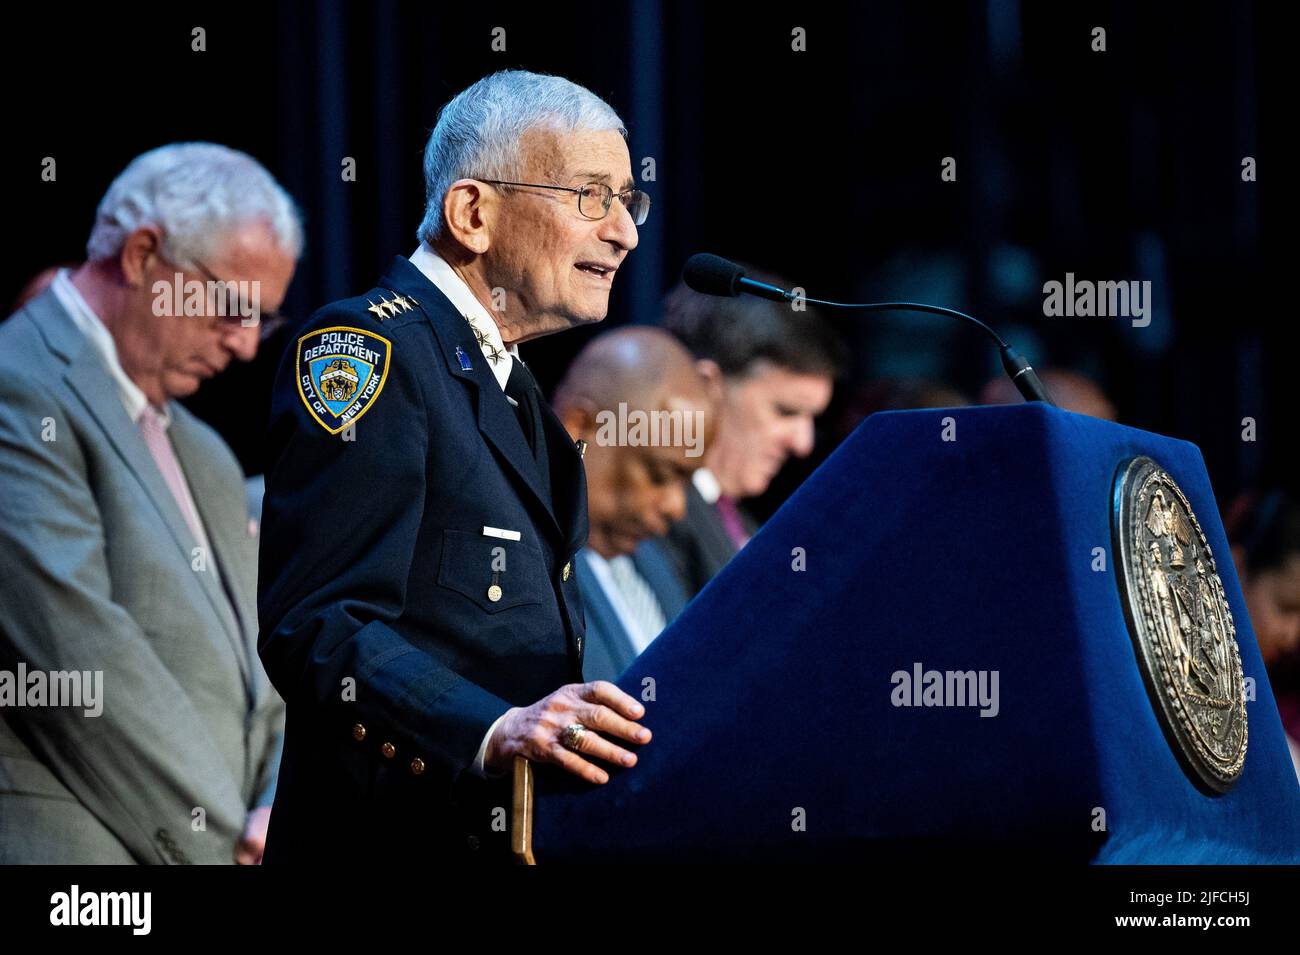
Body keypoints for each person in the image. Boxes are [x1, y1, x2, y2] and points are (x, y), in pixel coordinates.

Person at [257, 70, 654, 863]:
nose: (624, 233)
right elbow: (320, 626)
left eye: (628, 200)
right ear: (472, 213)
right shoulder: (369, 350)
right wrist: (490, 727)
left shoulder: (510, 386)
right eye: (591, 196)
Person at [0, 142, 300, 863]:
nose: (247, 345)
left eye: (264, 319)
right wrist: (225, 840)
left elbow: (272, 662)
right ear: (140, 256)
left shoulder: (204, 451)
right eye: (233, 308)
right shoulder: (18, 386)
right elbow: (74, 660)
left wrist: (276, 807)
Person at [659, 270, 844, 596]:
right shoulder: (651, 519)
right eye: (785, 411)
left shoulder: (745, 527)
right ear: (706, 386)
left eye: (813, 419)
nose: (803, 444)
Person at [552, 327, 713, 682]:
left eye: (686, 483)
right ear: (581, 428)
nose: (676, 507)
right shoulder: (519, 561)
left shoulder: (659, 568)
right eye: (658, 475)